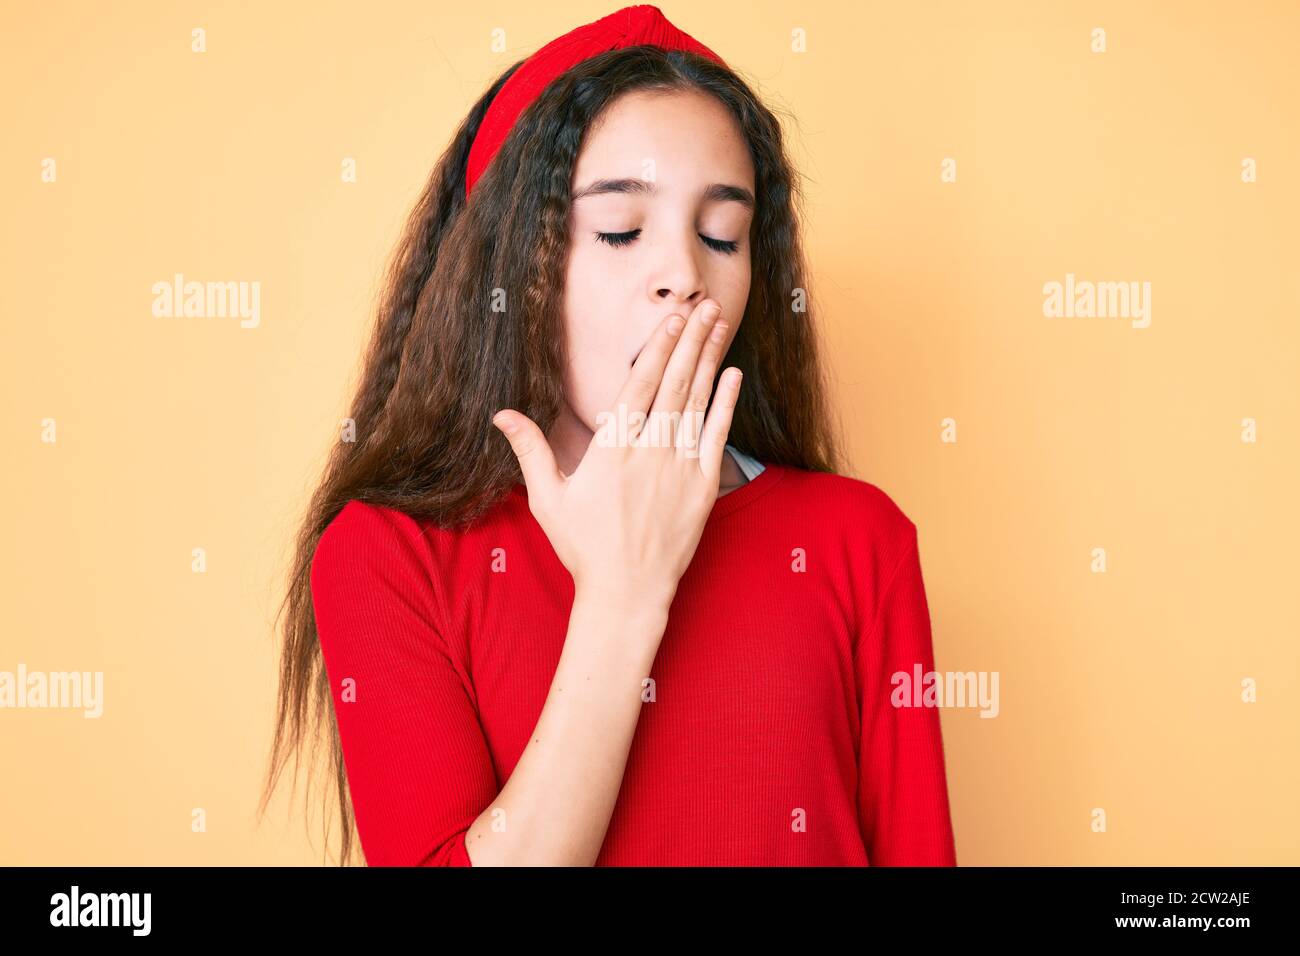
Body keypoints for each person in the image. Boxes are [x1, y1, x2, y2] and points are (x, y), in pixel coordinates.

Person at [261, 4, 958, 867]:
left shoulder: (858, 540)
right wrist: (625, 596)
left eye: (721, 236)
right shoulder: (386, 555)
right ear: (512, 262)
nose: (684, 276)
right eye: (622, 230)